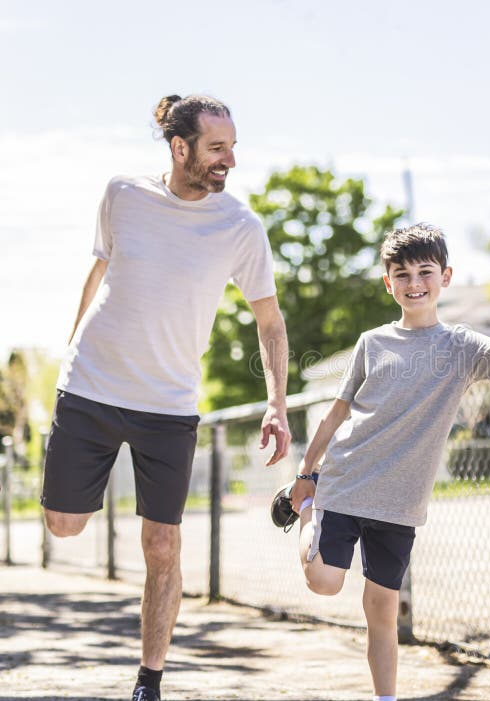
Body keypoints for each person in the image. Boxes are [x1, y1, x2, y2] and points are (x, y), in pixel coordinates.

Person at [41, 94, 291, 701]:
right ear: (179, 149)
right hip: (92, 386)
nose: (229, 159)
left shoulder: (240, 226)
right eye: (216, 148)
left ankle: (149, 681)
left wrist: (277, 401)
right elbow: (98, 270)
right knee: (63, 525)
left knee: (163, 543)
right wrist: (70, 347)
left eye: (232, 146)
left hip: (169, 405)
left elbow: (270, 322)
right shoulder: (122, 194)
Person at [270, 223, 490, 701]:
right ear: (387, 282)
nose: (414, 282)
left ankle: (386, 698)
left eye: (424, 271)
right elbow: (337, 411)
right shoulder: (372, 343)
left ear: (446, 276)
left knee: (382, 611)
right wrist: (307, 475)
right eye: (402, 273)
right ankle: (305, 509)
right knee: (325, 582)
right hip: (345, 482)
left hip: (400, 503)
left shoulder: (461, 348)